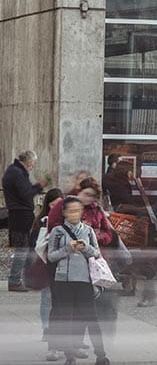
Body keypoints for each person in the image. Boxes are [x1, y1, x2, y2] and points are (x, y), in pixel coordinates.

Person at [46, 197, 109, 365]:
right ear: (65, 212)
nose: (75, 214)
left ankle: (101, 355)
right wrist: (68, 249)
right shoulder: (57, 231)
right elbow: (51, 256)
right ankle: (69, 356)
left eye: (77, 210)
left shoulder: (88, 231)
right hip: (63, 281)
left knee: (91, 318)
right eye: (71, 210)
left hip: (84, 281)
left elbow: (97, 254)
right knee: (67, 318)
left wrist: (85, 247)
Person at [5, 150, 46, 292]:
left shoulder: (14, 171)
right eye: (33, 163)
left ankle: (27, 279)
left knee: (26, 248)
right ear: (28, 161)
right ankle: (15, 280)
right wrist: (39, 186)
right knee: (22, 249)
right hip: (21, 214)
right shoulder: (17, 173)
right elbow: (26, 193)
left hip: (19, 214)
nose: (33, 166)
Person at [30, 188, 64, 360]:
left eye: (59, 204)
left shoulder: (65, 221)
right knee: (47, 298)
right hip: (45, 264)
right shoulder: (42, 221)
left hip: (61, 265)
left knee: (57, 301)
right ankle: (47, 328)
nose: (56, 207)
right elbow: (35, 244)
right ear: (47, 205)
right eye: (53, 204)